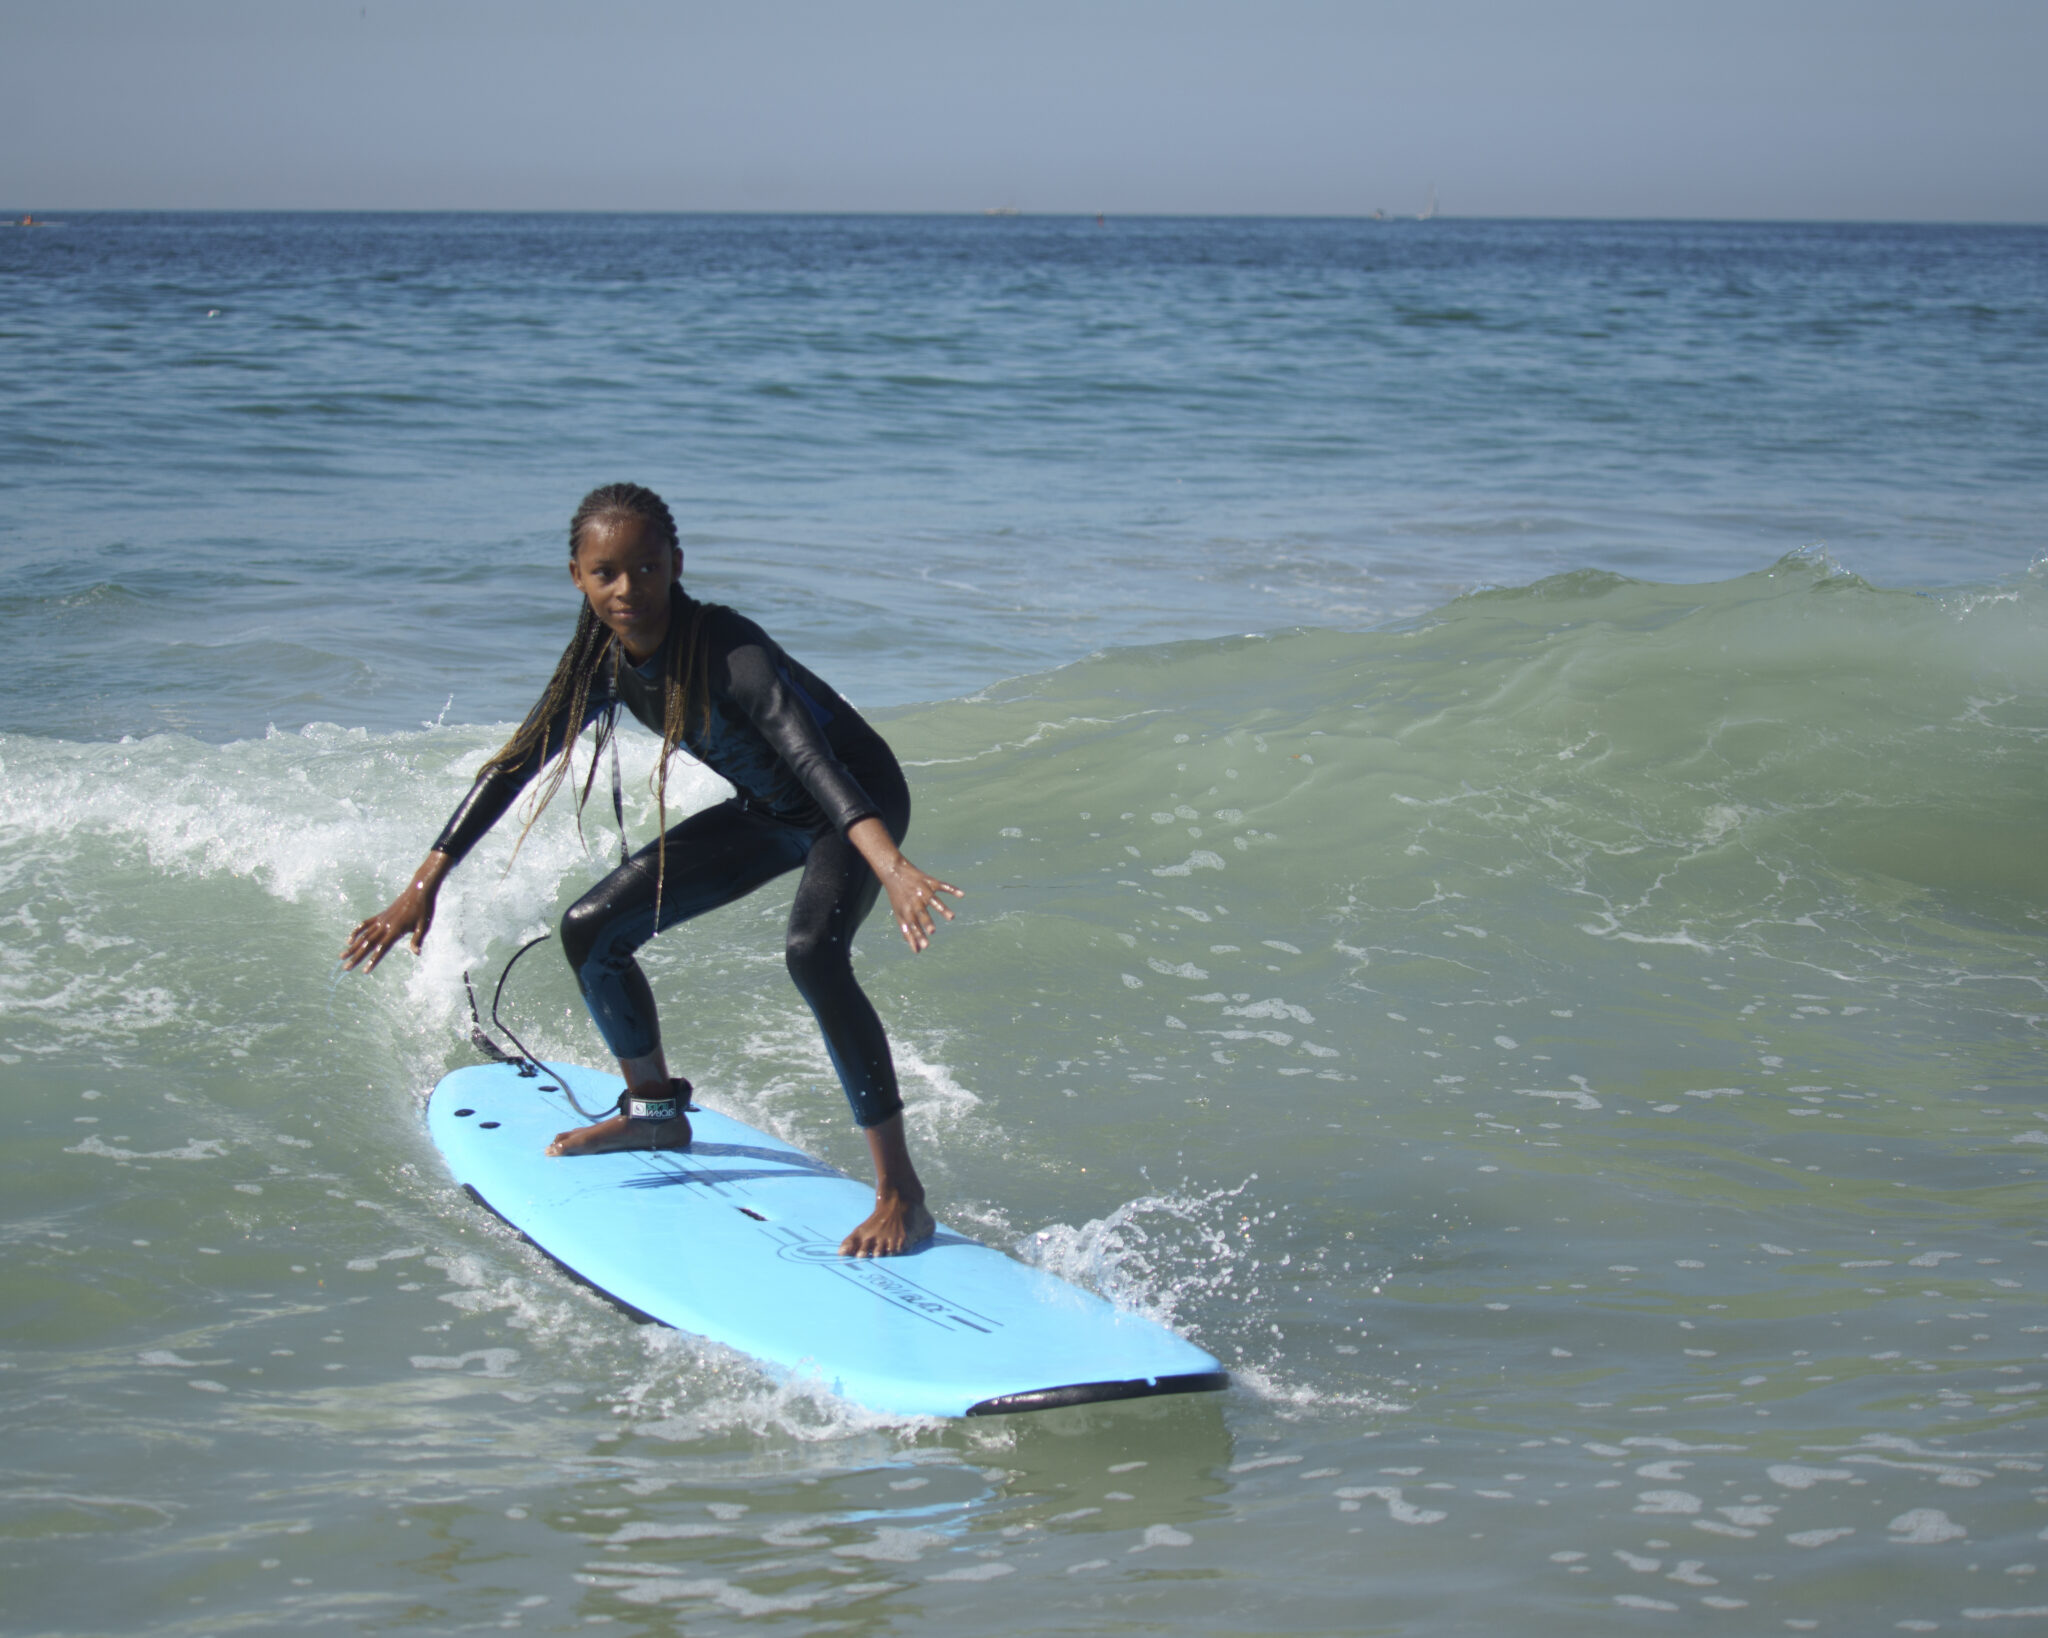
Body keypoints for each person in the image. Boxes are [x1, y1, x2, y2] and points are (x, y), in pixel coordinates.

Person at [342, 482, 962, 1256]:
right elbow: (512, 768)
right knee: (593, 929)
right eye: (607, 572)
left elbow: (811, 756)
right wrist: (420, 886)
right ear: (577, 576)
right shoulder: (599, 662)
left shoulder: (730, 649)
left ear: (675, 565)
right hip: (772, 811)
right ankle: (655, 1114)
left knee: (812, 952)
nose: (628, 589)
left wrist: (892, 865)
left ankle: (903, 1194)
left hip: (854, 801)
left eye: (646, 569)